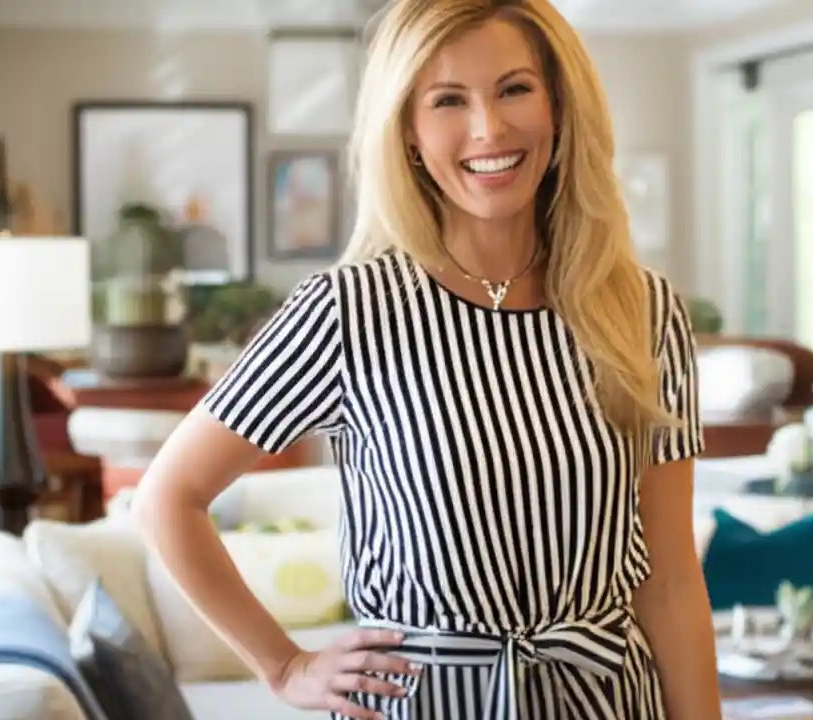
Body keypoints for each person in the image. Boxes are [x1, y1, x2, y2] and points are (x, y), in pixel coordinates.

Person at [132, 1, 721, 718]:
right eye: (448, 100)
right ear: (408, 132)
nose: (489, 129)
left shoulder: (644, 310)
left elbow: (668, 579)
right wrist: (284, 665)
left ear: (560, 108)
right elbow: (167, 498)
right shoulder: (347, 312)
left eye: (514, 89)